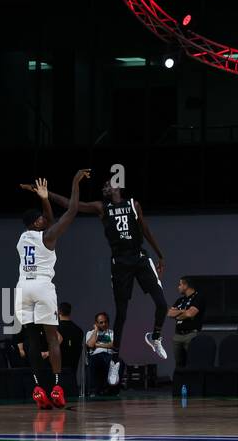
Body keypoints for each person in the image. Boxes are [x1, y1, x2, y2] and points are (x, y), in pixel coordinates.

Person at [29, 178, 170, 362]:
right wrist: (47, 194)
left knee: (162, 303)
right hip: (120, 261)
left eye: (107, 184)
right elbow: (72, 204)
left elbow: (146, 230)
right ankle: (115, 360)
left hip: (139, 257)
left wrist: (160, 255)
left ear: (118, 187)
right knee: (122, 313)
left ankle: (156, 338)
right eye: (103, 185)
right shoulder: (101, 207)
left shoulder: (133, 205)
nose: (104, 187)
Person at [16, 171, 88, 409]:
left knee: (30, 340)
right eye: (42, 220)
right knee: (51, 338)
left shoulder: (22, 239)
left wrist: (44, 199)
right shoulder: (47, 237)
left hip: (23, 286)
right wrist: (75, 182)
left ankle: (38, 388)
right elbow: (72, 211)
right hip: (42, 286)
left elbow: (49, 218)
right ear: (37, 222)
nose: (46, 220)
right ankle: (57, 386)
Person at [166, 277, 204, 368]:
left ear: (186, 285)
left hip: (191, 335)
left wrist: (179, 313)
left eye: (180, 285)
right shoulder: (180, 300)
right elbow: (169, 313)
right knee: (179, 364)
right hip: (177, 336)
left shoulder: (198, 298)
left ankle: (192, 382)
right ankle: (181, 382)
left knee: (192, 363)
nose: (178, 287)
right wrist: (184, 311)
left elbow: (190, 313)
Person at [85, 312, 118, 397]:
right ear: (96, 323)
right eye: (101, 322)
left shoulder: (111, 332)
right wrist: (96, 330)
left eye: (106, 322)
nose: (104, 324)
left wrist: (98, 345)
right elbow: (91, 345)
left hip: (109, 356)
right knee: (96, 359)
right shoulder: (90, 333)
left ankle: (112, 389)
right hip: (96, 356)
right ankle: (93, 391)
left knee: (119, 361)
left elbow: (113, 345)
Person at [56, 303, 85, 387]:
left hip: (58, 370)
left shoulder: (55, 329)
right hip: (72, 369)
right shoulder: (79, 330)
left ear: (59, 312)